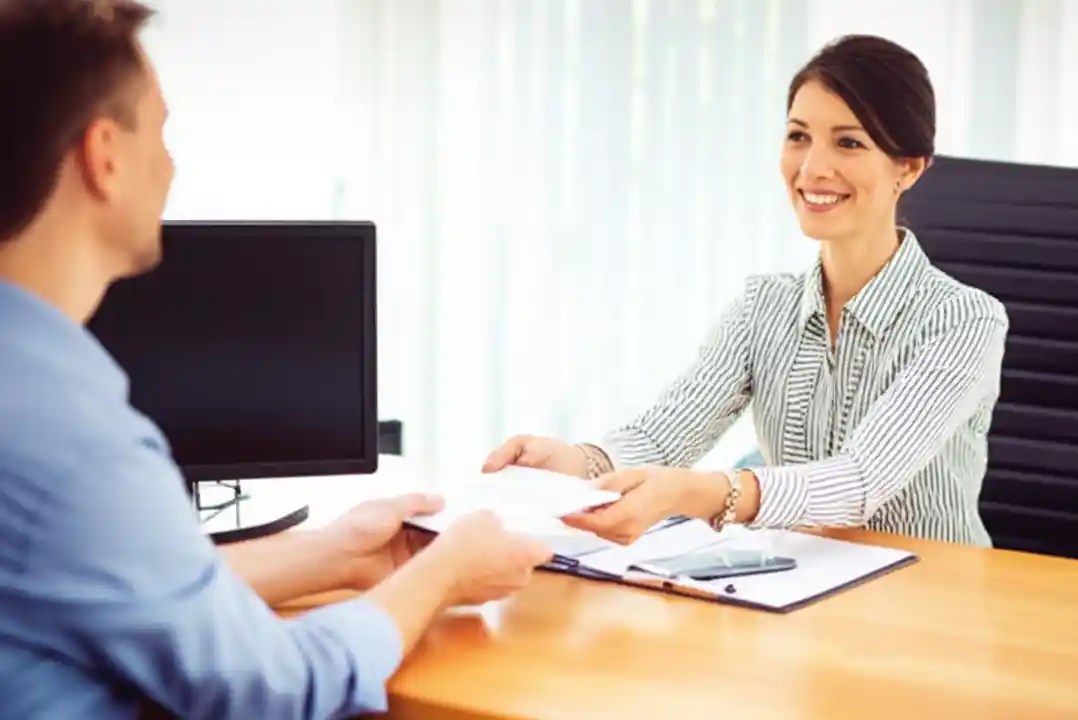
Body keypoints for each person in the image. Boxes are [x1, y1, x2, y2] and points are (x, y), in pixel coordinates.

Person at [0, 1, 550, 718]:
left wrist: (338, 552)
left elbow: (130, 592)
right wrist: (445, 572)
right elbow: (275, 687)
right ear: (103, 156)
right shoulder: (72, 440)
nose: (171, 164)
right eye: (160, 131)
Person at [485, 34, 1009, 547]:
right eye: (799, 136)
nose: (812, 168)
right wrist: (574, 464)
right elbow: (663, 438)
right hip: (801, 588)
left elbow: (859, 482)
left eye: (848, 142)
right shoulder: (763, 307)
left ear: (909, 168)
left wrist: (704, 493)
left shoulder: (963, 321)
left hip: (933, 601)